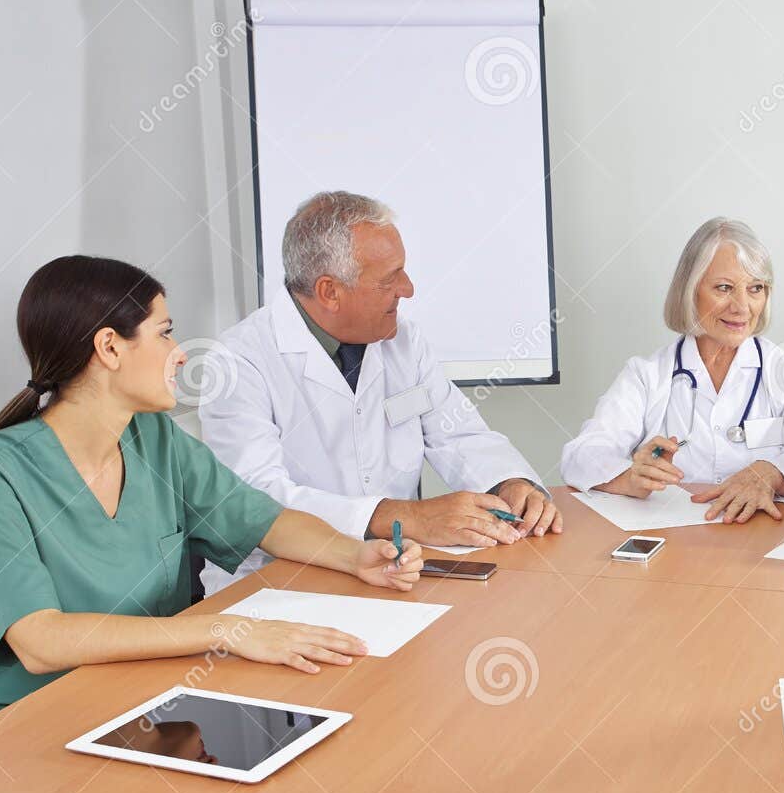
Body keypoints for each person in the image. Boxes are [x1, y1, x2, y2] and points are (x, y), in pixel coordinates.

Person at [0, 256, 423, 738]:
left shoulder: (154, 438)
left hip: (142, 707)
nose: (181, 353)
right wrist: (227, 630)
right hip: (22, 731)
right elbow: (40, 641)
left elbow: (266, 521)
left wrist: (356, 556)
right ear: (109, 347)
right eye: (164, 333)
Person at [199, 192, 558, 593]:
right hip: (274, 583)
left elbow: (458, 434)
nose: (408, 289)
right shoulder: (238, 361)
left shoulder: (404, 341)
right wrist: (403, 516)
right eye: (390, 279)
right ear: (329, 291)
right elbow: (255, 501)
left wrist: (509, 484)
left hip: (391, 569)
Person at [559, 218, 784, 523]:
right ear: (689, 291)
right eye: (724, 288)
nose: (742, 307)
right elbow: (581, 455)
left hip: (762, 537)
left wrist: (770, 473)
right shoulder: (646, 376)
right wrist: (630, 477)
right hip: (673, 539)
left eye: (755, 288)